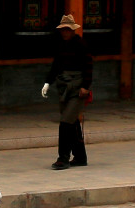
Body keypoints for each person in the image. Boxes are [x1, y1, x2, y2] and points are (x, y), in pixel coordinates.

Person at [40, 13, 92, 169]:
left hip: (77, 87)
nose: (65, 32)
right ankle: (80, 157)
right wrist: (48, 82)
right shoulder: (60, 45)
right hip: (63, 86)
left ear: (73, 30)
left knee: (65, 123)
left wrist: (85, 86)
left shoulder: (81, 45)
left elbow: (88, 66)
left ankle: (63, 157)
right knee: (73, 122)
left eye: (68, 29)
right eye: (63, 30)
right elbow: (56, 66)